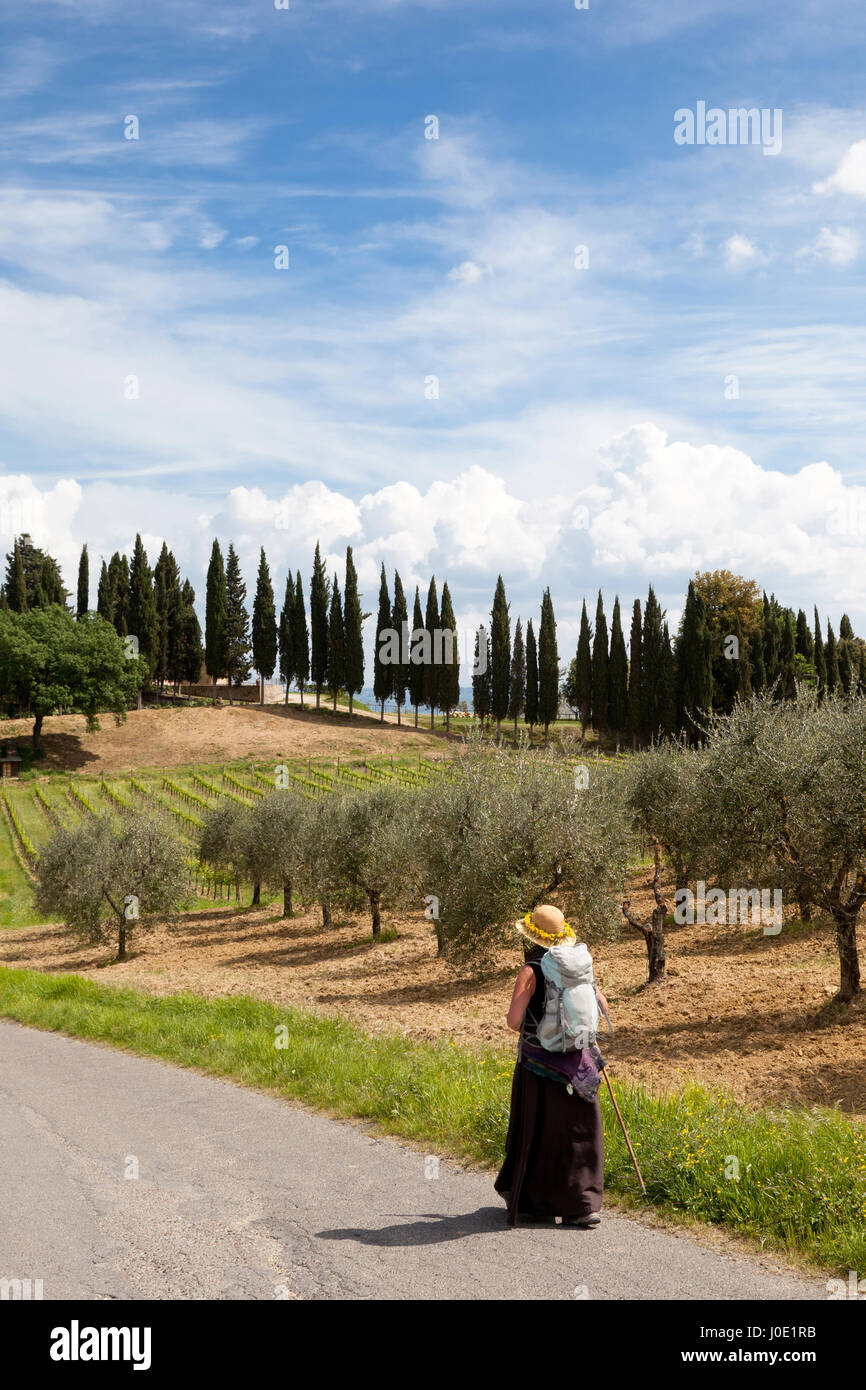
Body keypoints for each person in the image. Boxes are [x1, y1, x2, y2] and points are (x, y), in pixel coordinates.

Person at [494, 903, 608, 1228]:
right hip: (579, 1062)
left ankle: (538, 1204)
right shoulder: (579, 967)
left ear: (531, 937)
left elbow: (514, 1022)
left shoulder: (531, 969)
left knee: (540, 1133)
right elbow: (602, 1007)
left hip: (538, 1063)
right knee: (576, 1132)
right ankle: (582, 1206)